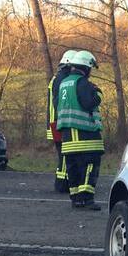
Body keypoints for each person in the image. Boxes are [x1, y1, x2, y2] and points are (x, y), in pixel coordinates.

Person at [56, 50, 104, 210]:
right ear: (86, 67)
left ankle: (76, 199)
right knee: (90, 165)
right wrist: (97, 95)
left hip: (67, 136)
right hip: (85, 135)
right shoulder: (82, 83)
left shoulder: (64, 82)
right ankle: (88, 199)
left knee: (73, 168)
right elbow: (88, 103)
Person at [47, 50, 77, 193]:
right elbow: (59, 102)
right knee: (64, 155)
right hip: (58, 122)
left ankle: (62, 183)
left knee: (63, 154)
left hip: (55, 121)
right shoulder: (61, 79)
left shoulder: (58, 78)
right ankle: (61, 185)